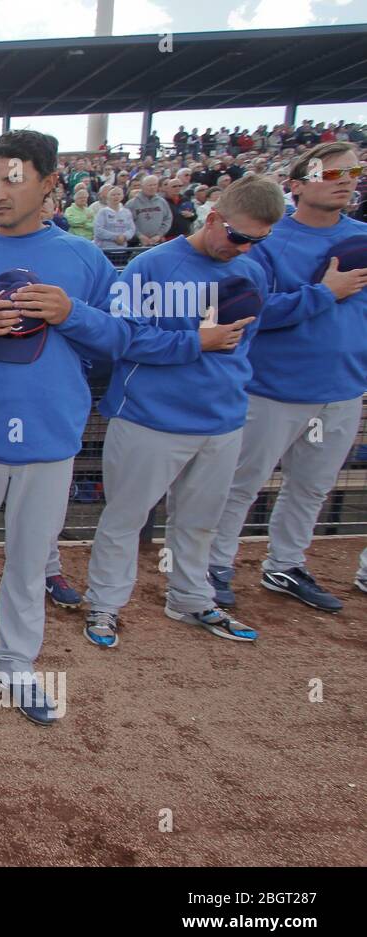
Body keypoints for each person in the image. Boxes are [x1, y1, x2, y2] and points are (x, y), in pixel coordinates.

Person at [0, 131, 143, 726]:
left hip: (51, 436)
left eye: (12, 179)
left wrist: (74, 315)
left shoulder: (86, 260)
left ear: (49, 184)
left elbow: (123, 340)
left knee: (29, 559)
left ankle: (16, 666)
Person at [82, 176, 286, 649]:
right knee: (125, 518)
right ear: (213, 217)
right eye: (238, 236)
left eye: (257, 241)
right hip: (149, 417)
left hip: (222, 417)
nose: (244, 248)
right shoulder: (151, 264)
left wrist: (213, 358)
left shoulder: (252, 271)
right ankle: (106, 603)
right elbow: (122, 337)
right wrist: (196, 342)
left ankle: (192, 597)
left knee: (200, 520)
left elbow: (243, 348)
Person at [208, 143, 367, 613]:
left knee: (313, 484)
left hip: (342, 387)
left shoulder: (363, 236)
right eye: (329, 172)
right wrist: (322, 294)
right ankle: (215, 564)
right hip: (272, 387)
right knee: (242, 482)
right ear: (296, 185)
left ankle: (286, 564)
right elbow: (248, 311)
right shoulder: (266, 240)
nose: (344, 178)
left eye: (353, 170)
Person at [93, 186, 136, 252]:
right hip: (106, 250)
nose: (116, 197)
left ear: (122, 196)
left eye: (119, 194)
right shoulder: (103, 212)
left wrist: (124, 236)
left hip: (122, 249)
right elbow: (98, 230)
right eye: (113, 195)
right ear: (108, 197)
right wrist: (115, 237)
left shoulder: (127, 212)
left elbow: (132, 229)